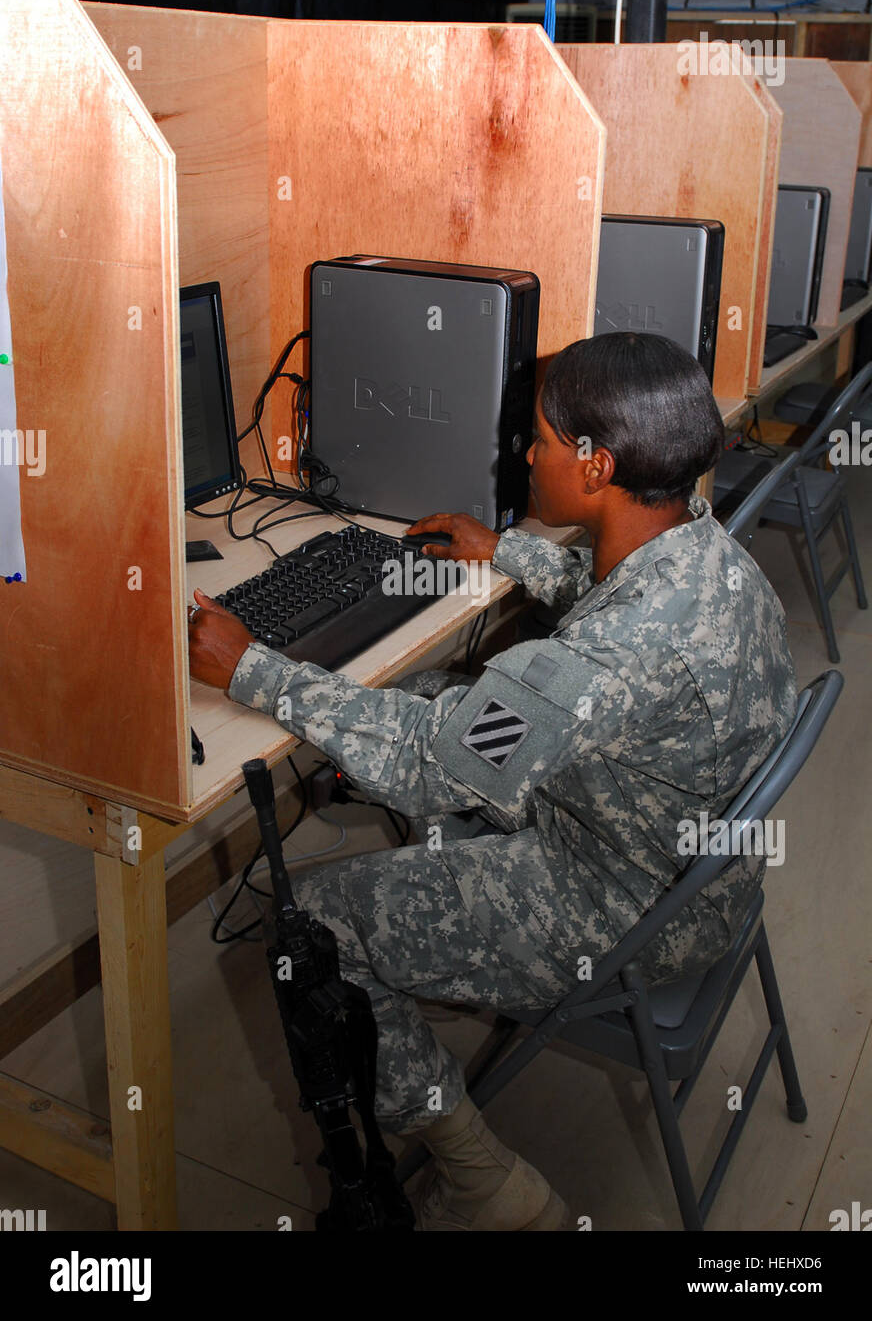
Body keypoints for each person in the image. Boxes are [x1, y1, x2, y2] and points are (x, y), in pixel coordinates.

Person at [188, 331, 797, 1231]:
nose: (526, 453)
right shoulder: (702, 553)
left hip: (627, 901)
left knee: (316, 926)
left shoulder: (620, 649)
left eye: (541, 440)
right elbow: (612, 612)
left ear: (595, 468)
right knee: (434, 692)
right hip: (698, 865)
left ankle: (483, 1182)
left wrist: (253, 667)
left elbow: (432, 767)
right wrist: (507, 551)